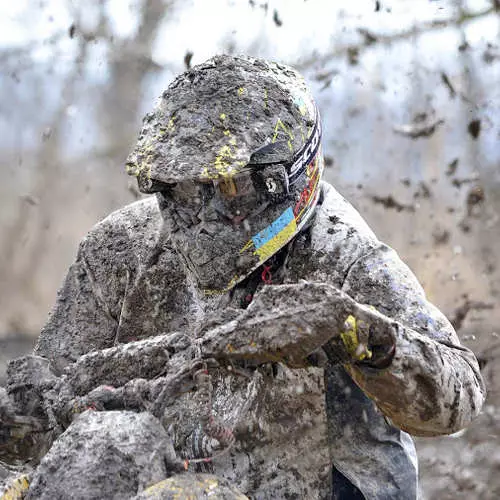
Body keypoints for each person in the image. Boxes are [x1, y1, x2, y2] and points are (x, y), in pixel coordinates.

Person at [3, 55, 485, 499]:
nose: (204, 215)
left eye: (228, 188)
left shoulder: (345, 258)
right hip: (159, 472)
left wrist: (372, 342)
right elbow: (48, 395)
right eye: (181, 188)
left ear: (286, 178)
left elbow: (458, 398)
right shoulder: (120, 249)